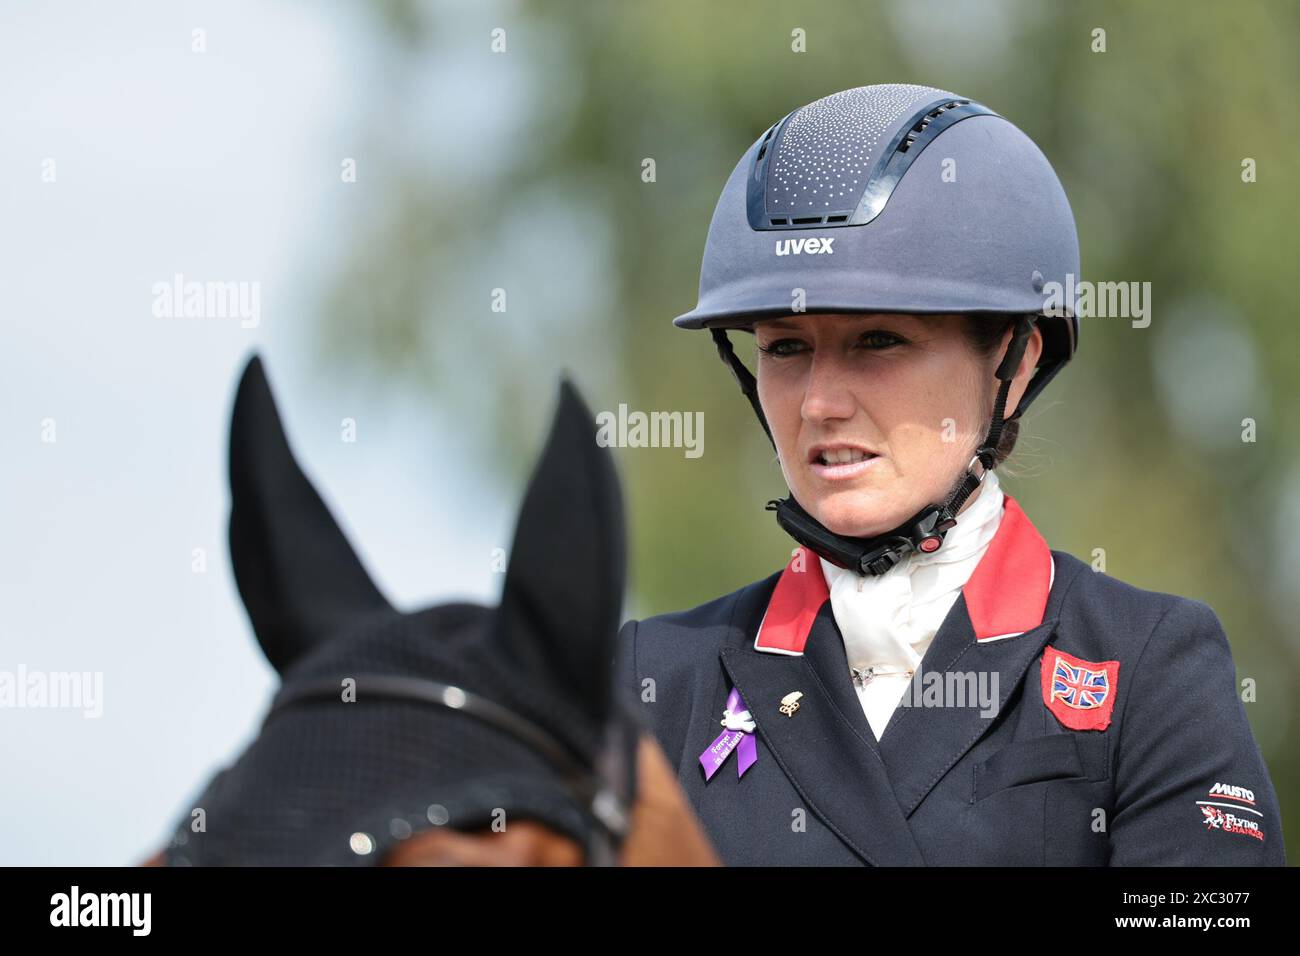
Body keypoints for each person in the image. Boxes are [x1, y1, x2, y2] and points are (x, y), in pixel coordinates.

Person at [617, 83, 1286, 865]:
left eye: (878, 341)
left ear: (1014, 356)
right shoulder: (653, 682)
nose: (820, 403)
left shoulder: (1148, 666)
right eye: (784, 347)